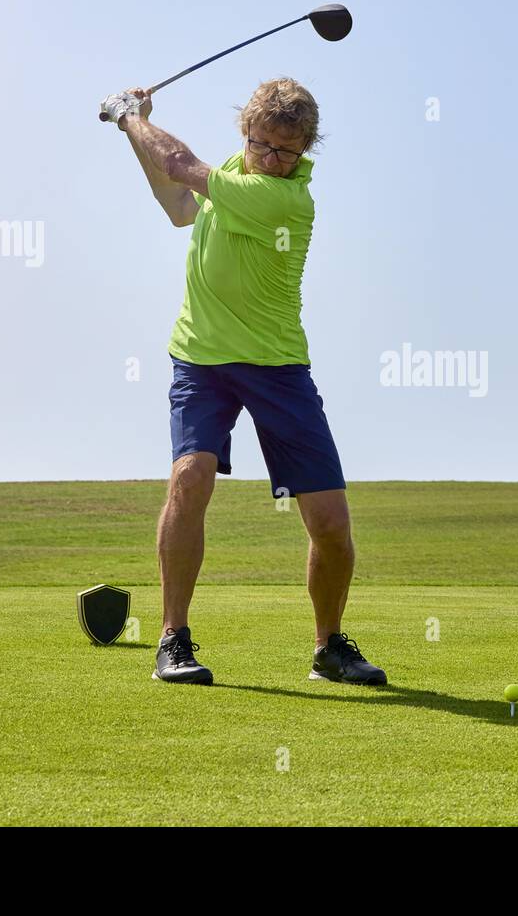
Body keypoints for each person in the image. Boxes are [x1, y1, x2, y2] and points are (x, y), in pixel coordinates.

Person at [99, 79, 386, 687]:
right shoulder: (231, 171)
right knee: (190, 475)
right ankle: (173, 639)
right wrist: (137, 131)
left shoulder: (285, 201)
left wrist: (130, 119)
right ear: (246, 134)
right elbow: (177, 200)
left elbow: (178, 163)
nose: (276, 161)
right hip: (201, 359)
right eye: (265, 147)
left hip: (278, 367)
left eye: (291, 151)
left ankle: (329, 647)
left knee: (331, 522)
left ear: (307, 148)